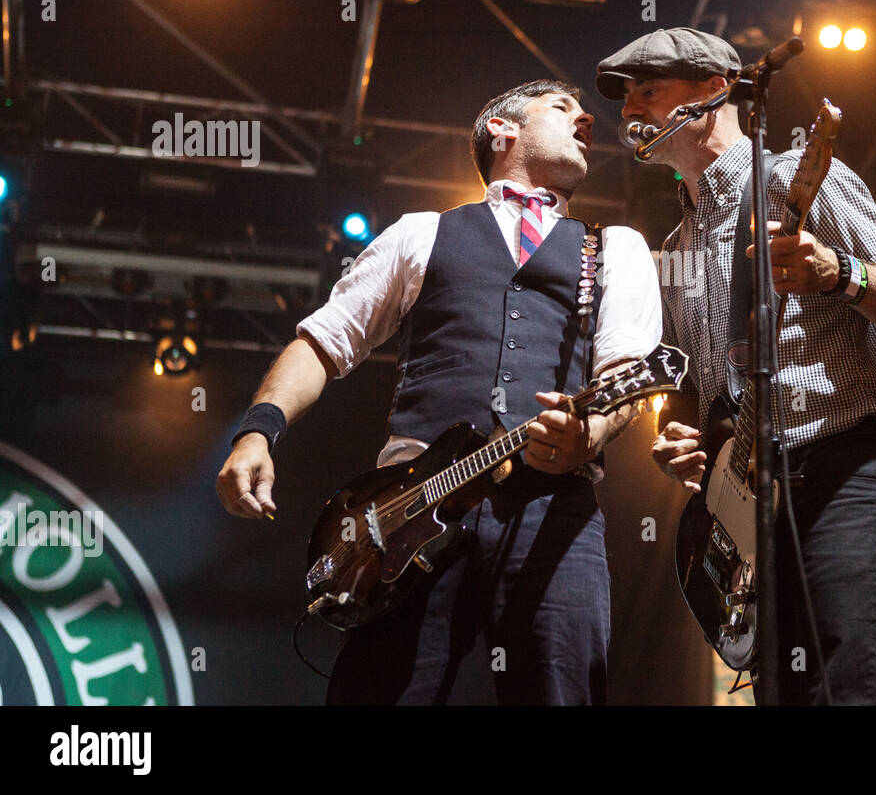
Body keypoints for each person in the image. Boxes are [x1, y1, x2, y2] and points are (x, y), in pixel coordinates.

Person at [215, 79, 661, 705]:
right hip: (407, 507)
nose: (587, 116)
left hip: (554, 502)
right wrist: (259, 429)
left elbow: (627, 374)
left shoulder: (618, 248)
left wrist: (589, 433)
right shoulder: (421, 233)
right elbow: (324, 342)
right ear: (501, 130)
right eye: (563, 107)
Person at [596, 27, 876, 704]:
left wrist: (840, 273)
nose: (629, 109)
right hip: (749, 502)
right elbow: (700, 385)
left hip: (846, 472)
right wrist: (679, 434)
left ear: (715, 90)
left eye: (649, 90)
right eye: (625, 96)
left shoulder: (792, 177)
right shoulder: (675, 244)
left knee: (847, 682)